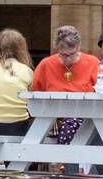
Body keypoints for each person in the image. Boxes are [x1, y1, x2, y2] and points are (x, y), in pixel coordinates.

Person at [29, 25, 99, 158]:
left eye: (71, 54)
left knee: (85, 128)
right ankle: (68, 165)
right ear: (57, 49)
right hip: (54, 117)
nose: (67, 58)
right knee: (70, 126)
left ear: (78, 47)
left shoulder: (92, 62)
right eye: (62, 54)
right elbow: (34, 94)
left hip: (84, 116)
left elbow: (102, 89)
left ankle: (66, 164)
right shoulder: (46, 64)